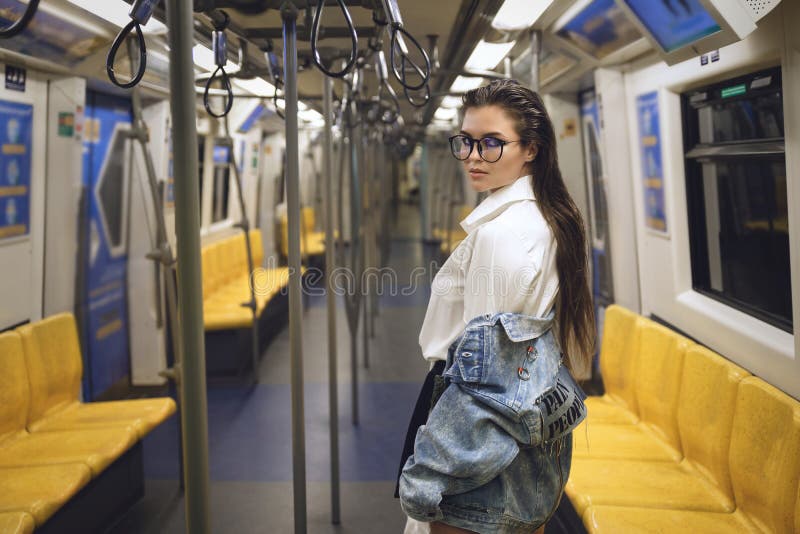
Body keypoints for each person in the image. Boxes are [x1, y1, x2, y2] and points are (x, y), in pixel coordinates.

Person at [396, 79, 595, 534]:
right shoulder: (545, 216)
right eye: (465, 141)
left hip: (479, 443)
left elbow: (485, 378)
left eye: (491, 144)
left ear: (531, 149)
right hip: (509, 432)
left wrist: (432, 473)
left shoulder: (505, 236)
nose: (472, 157)